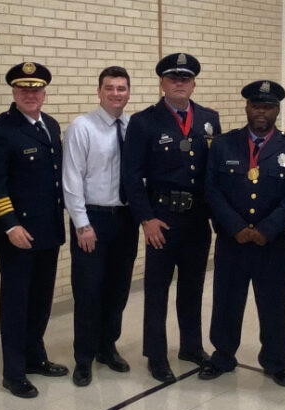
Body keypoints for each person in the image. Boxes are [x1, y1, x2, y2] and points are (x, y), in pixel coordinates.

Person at [199, 80, 285, 387]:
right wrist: (235, 227)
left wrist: (267, 229)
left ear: (277, 110)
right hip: (232, 241)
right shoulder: (222, 145)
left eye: (268, 107)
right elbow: (212, 190)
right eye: (256, 105)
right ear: (247, 107)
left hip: (272, 244)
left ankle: (275, 362)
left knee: (273, 305)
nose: (261, 112)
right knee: (226, 301)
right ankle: (222, 356)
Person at [122, 53, 221, 383]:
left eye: (186, 78)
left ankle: (191, 346)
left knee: (192, 287)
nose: (180, 83)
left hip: (197, 219)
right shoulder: (143, 121)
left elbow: (214, 172)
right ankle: (156, 353)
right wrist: (146, 219)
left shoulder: (209, 118)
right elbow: (132, 177)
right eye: (173, 78)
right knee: (157, 289)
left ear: (193, 83)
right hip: (161, 218)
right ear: (162, 83)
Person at [0, 62, 68, 398]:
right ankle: (13, 372)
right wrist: (10, 225)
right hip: (17, 233)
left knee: (41, 299)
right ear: (14, 93)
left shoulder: (51, 124)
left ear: (44, 93)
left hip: (47, 230)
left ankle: (35, 357)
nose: (30, 95)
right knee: (16, 302)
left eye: (36, 90)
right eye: (23, 89)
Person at [62, 66, 139, 387]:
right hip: (92, 219)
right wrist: (82, 225)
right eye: (110, 88)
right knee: (89, 290)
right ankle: (84, 357)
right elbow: (71, 179)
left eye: (122, 88)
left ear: (128, 92)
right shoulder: (82, 127)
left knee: (118, 289)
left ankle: (108, 347)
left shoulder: (133, 126)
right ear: (99, 91)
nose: (116, 94)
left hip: (125, 218)